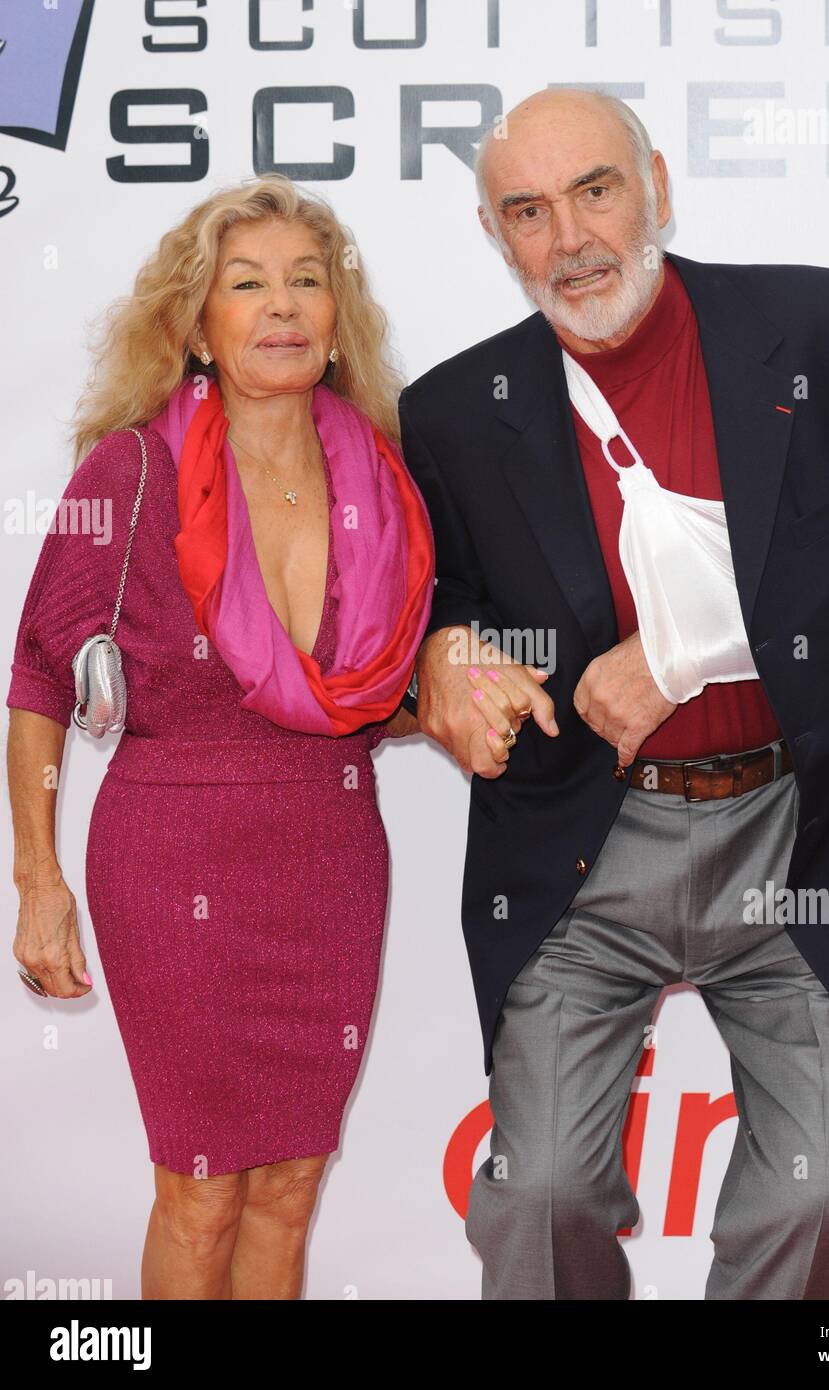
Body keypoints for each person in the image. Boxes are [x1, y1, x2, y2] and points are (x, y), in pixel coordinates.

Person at [397, 87, 829, 1299]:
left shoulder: (827, 327)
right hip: (587, 844)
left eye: (595, 190)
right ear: (493, 234)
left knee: (822, 1180)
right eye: (527, 210)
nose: (569, 238)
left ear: (657, 184)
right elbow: (439, 602)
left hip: (794, 823)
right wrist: (442, 656)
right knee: (542, 1191)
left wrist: (678, 654)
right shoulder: (455, 412)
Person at [6, 174, 433, 1299]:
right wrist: (38, 878)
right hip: (172, 856)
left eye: (308, 279)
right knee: (198, 1187)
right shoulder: (132, 471)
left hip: (331, 855)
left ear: (339, 315)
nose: (282, 306)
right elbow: (40, 675)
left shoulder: (384, 484)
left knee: (292, 1181)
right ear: (196, 322)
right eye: (246, 285)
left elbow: (385, 691)